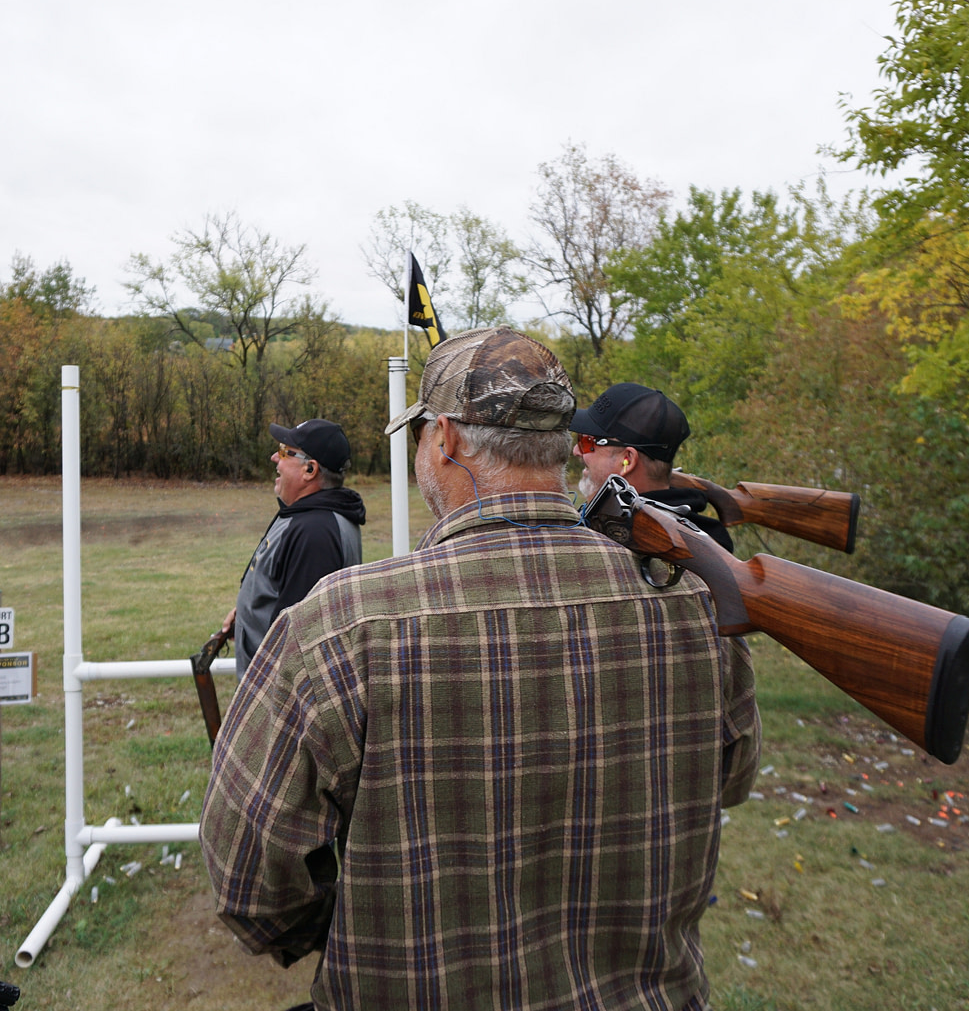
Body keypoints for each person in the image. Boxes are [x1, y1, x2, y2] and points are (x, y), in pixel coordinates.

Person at [202, 328, 761, 1011]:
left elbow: (249, 882)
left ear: (445, 439)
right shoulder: (696, 598)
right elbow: (730, 777)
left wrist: (352, 931)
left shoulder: (339, 627)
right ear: (559, 445)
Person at [217, 418, 366, 677]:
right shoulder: (309, 517)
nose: (275, 457)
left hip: (277, 705)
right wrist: (247, 616)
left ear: (310, 469)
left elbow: (297, 644)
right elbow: (285, 593)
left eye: (285, 451)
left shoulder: (315, 532)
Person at [571, 382, 736, 553]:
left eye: (587, 442)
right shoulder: (709, 536)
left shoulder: (620, 537)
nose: (576, 451)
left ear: (627, 459)